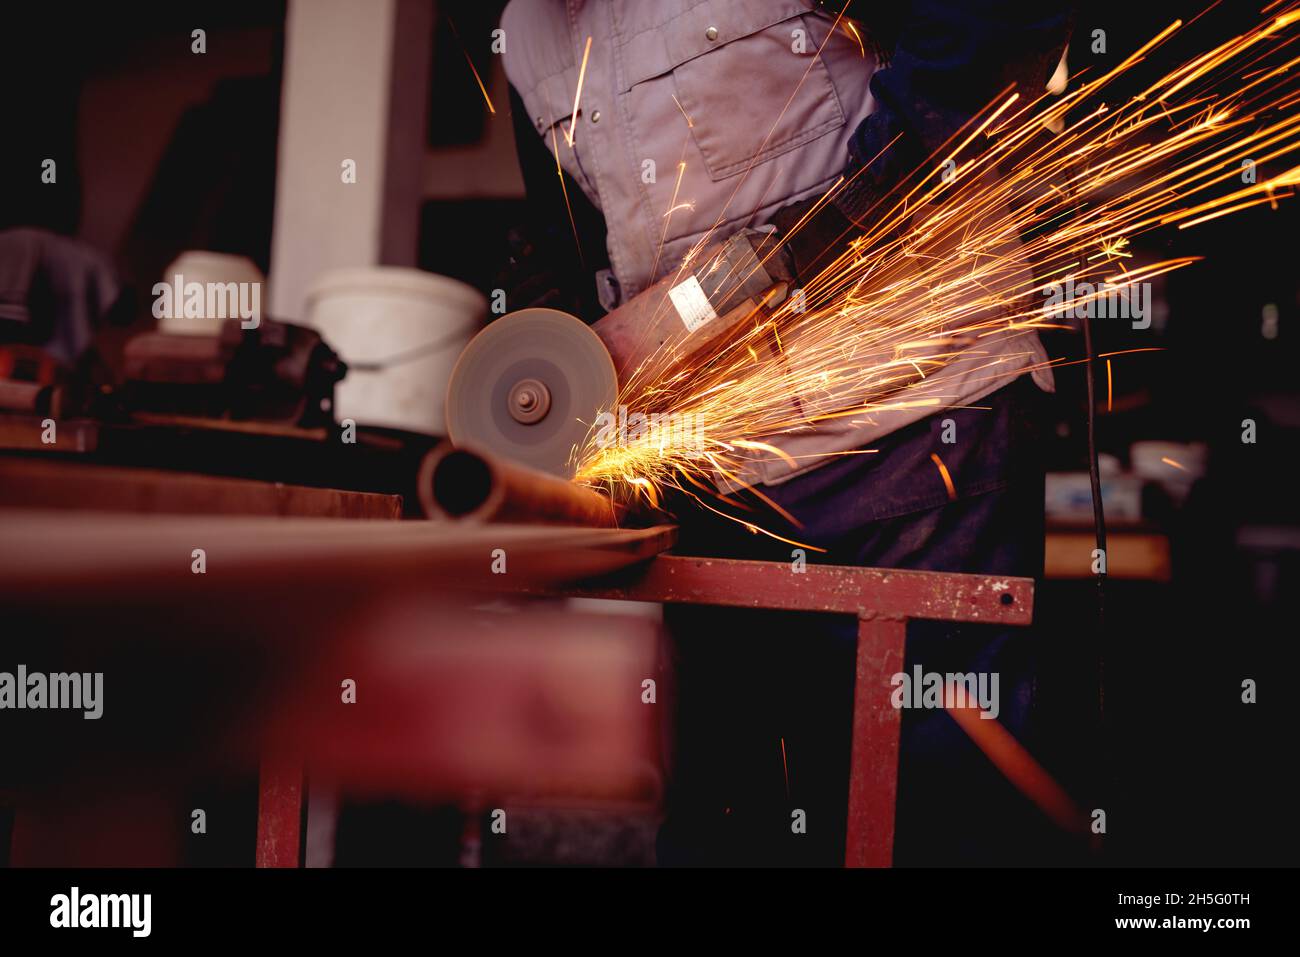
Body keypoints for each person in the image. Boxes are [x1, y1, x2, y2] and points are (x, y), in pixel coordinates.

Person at [499, 0, 1073, 865]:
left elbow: (993, 35)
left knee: (936, 815)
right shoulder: (521, 28)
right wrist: (562, 342)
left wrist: (768, 268)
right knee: (740, 820)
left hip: (909, 424)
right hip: (713, 471)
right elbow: (566, 231)